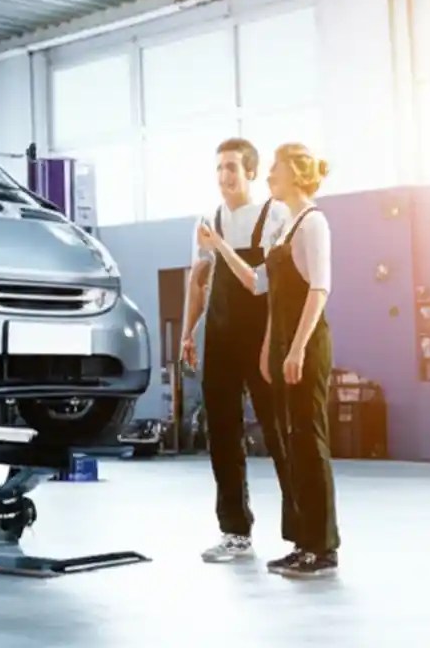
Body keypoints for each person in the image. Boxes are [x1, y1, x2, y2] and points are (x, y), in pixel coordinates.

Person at [197, 142, 339, 578]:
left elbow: (319, 289)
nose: (271, 174)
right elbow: (259, 284)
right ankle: (301, 543)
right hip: (275, 345)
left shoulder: (309, 222)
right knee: (294, 443)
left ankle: (321, 546)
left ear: (292, 173)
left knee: (304, 443)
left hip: (303, 346)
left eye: (275, 167)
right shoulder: (287, 225)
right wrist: (219, 244)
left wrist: (294, 348)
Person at [181, 137, 293, 564]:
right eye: (219, 168)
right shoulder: (207, 220)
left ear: (250, 171)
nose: (224, 176)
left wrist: (273, 345)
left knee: (279, 431)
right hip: (221, 339)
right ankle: (235, 532)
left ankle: (302, 532)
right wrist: (188, 333)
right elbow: (198, 280)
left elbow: (268, 283)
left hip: (263, 337)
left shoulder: (273, 214)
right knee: (222, 435)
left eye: (231, 167)